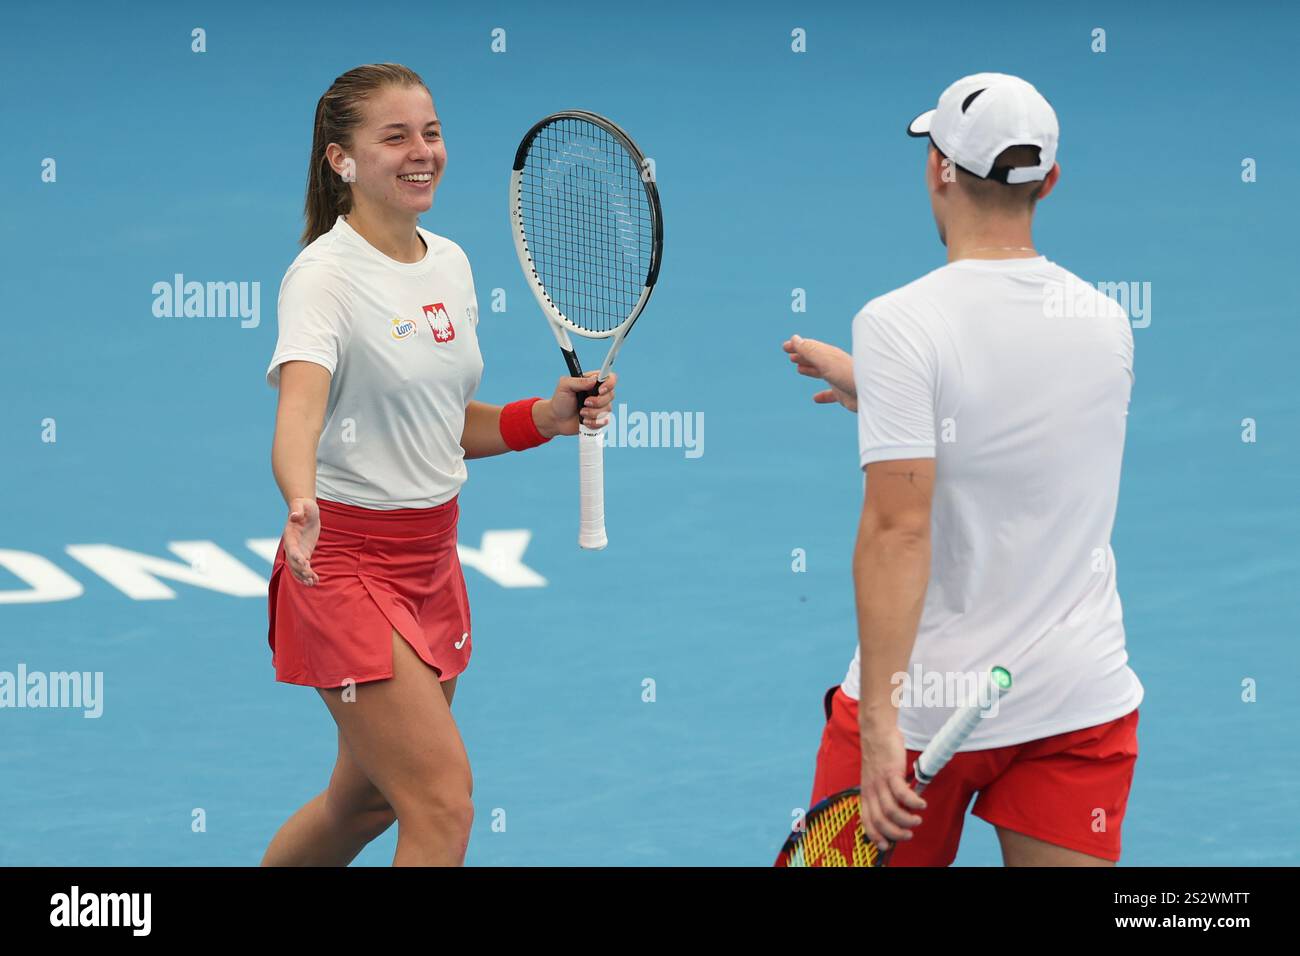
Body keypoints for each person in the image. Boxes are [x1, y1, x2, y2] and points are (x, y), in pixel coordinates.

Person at [260, 63, 616, 867]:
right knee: (443, 805)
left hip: (429, 563)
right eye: (395, 137)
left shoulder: (448, 263)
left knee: (366, 802)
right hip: (344, 566)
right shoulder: (322, 279)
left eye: (431, 131)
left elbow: (441, 425)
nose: (422, 152)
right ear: (340, 160)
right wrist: (299, 496)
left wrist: (546, 418)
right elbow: (299, 414)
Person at [783, 73, 1142, 866]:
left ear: (940, 169)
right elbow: (1023, 441)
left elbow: (896, 531)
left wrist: (880, 723)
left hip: (924, 713)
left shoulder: (900, 323)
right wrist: (884, 395)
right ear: (1048, 181)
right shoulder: (1106, 319)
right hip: (1076, 699)